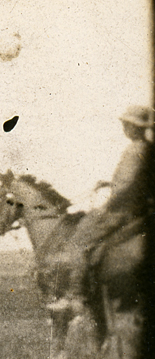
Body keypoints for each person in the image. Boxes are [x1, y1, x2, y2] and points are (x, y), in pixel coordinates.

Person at [68, 103, 151, 297]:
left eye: (127, 124)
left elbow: (125, 184)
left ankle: (77, 293)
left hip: (123, 210)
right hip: (137, 207)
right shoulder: (146, 148)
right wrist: (107, 183)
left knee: (80, 238)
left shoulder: (133, 151)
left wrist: (109, 203)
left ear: (134, 127)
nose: (124, 128)